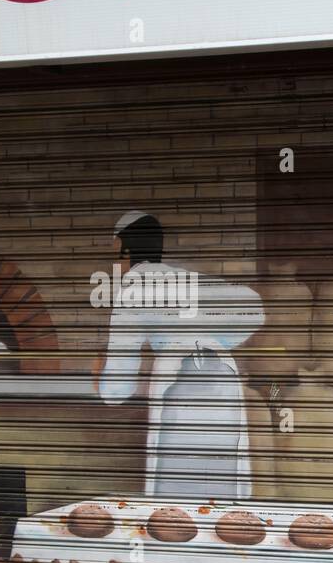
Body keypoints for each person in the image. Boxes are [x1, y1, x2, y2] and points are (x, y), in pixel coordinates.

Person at [97, 210, 263, 501]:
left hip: (177, 383)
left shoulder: (132, 289)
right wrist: (213, 339)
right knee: (222, 476)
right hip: (224, 381)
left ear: (126, 251)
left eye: (115, 255)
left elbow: (117, 389)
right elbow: (254, 309)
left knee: (176, 484)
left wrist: (99, 376)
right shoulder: (187, 279)